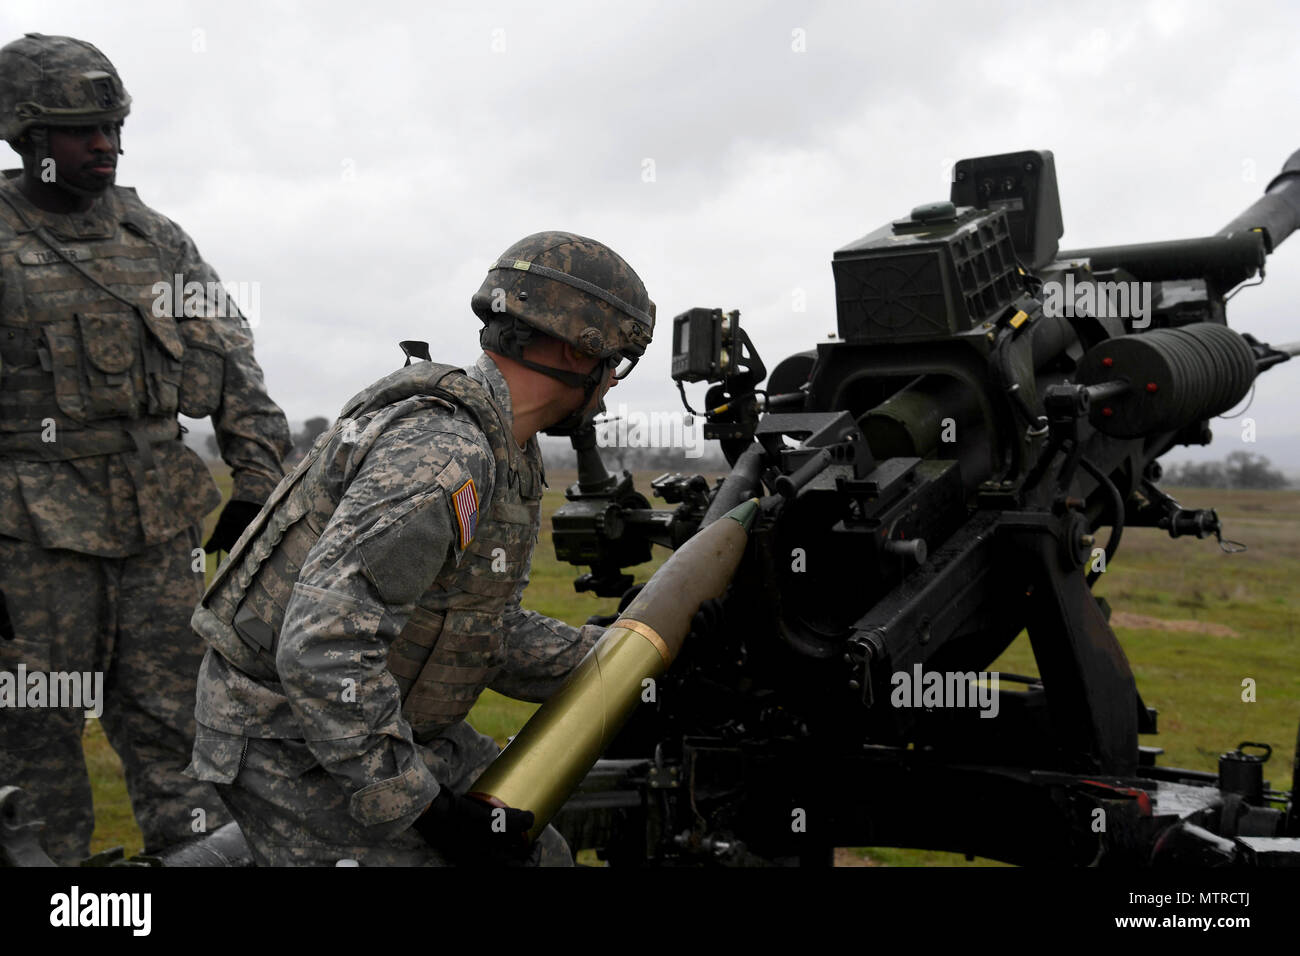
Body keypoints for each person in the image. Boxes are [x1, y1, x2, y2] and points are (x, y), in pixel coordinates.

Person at [187, 230, 655, 865]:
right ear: (581, 352)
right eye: (616, 364)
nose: (610, 387)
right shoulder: (444, 453)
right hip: (288, 737)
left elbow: (476, 626)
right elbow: (325, 648)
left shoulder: (503, 446)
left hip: (368, 719)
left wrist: (618, 656)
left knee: (539, 851)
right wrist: (427, 811)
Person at [0, 33, 291, 864]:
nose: (105, 145)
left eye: (114, 127)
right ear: (26, 135)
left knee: (184, 731)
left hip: (160, 532)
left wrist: (256, 480)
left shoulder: (156, 239)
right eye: (81, 129)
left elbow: (234, 362)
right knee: (33, 737)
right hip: (28, 538)